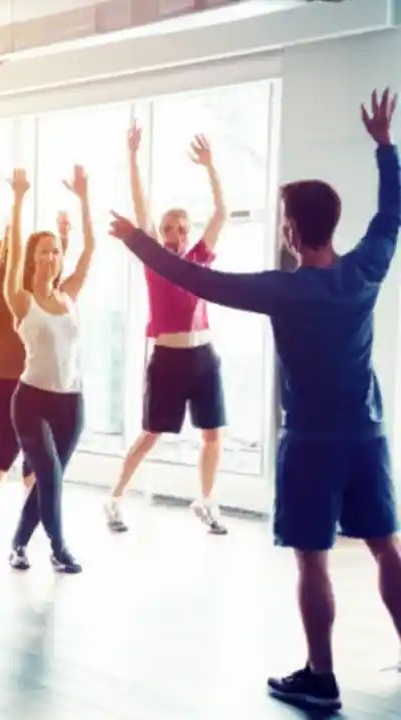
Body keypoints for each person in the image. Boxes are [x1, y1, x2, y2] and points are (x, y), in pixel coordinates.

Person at [110, 89, 401, 712]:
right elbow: (392, 214)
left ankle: (321, 679)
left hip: (311, 446)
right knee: (386, 547)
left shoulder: (282, 291)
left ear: (292, 231)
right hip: (367, 435)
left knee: (313, 561)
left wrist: (137, 240)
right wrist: (385, 147)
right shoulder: (365, 271)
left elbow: (195, 278)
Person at [106, 124, 230, 535]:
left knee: (213, 434)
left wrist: (210, 167)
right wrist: (132, 158)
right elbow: (139, 209)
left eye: (182, 228)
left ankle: (206, 502)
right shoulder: (155, 259)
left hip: (204, 356)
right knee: (151, 433)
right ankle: (115, 497)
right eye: (169, 228)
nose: (176, 234)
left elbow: (222, 213)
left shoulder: (199, 259)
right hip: (169, 359)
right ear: (161, 234)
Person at [3, 164, 94, 575]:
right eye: (44, 251)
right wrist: (18, 200)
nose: (51, 256)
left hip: (71, 402)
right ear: (33, 258)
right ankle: (59, 549)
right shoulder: (21, 299)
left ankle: (18, 544)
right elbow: (12, 258)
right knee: (50, 477)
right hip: (31, 401)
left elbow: (90, 251)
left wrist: (84, 198)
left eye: (56, 250)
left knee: (48, 480)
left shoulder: (69, 294)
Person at [0, 217, 65, 540]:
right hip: (1, 378)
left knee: (35, 449)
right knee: (7, 446)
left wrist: (64, 238)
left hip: (31, 379)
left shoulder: (32, 290)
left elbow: (56, 281)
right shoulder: (1, 290)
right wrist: (10, 236)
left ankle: (31, 514)